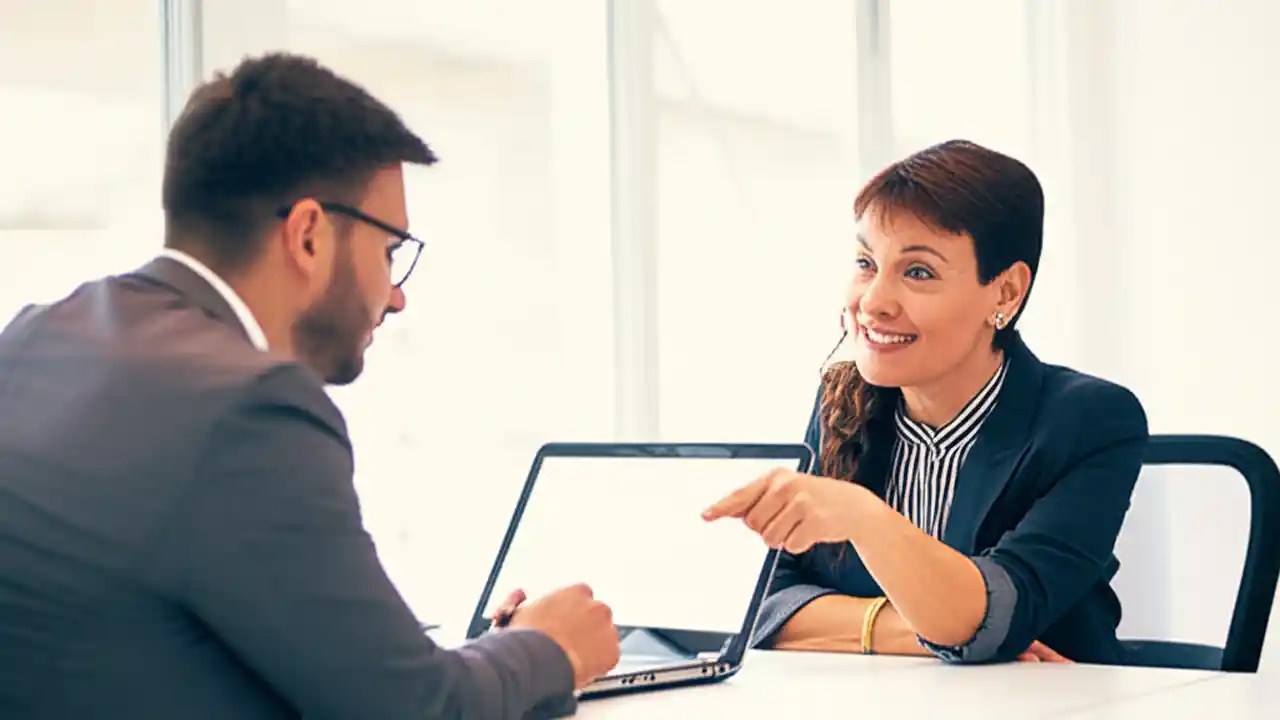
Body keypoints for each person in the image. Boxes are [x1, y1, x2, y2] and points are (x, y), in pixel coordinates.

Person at [0, 53, 618, 718]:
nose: (397, 296)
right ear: (309, 236)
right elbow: (417, 709)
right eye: (390, 252)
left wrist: (478, 655)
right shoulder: (247, 408)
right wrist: (552, 649)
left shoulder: (37, 338)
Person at [703, 140, 1148, 666]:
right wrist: (906, 630)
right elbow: (766, 603)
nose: (872, 303)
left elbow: (993, 614)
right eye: (867, 262)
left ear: (1005, 293)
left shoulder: (1091, 421)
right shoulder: (842, 402)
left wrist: (863, 519)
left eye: (918, 273)